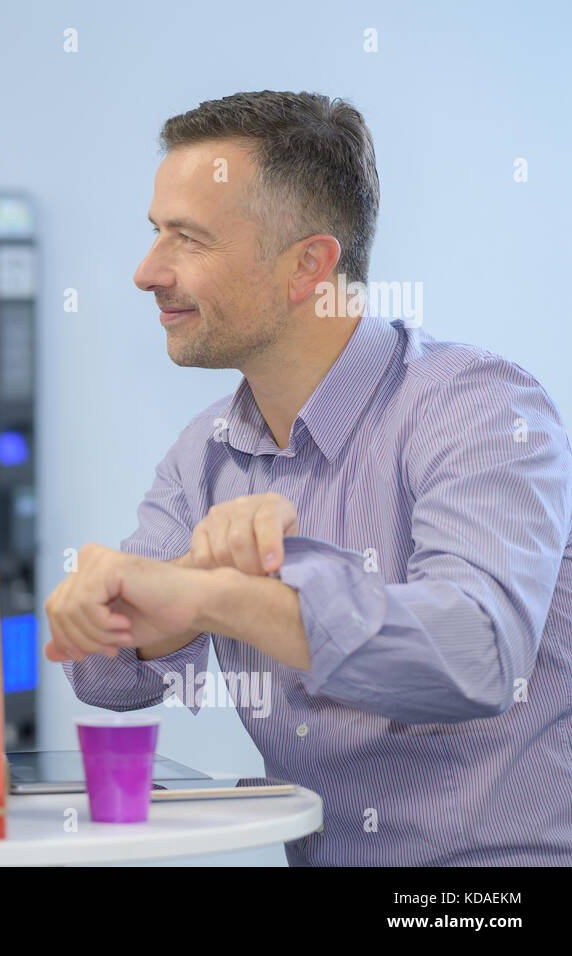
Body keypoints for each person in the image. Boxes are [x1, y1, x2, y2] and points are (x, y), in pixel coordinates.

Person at [45, 90, 572, 865]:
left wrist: (219, 595)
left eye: (188, 239)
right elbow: (104, 679)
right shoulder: (207, 452)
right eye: (156, 233)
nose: (146, 271)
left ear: (308, 266)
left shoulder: (480, 408)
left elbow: (473, 656)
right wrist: (146, 592)